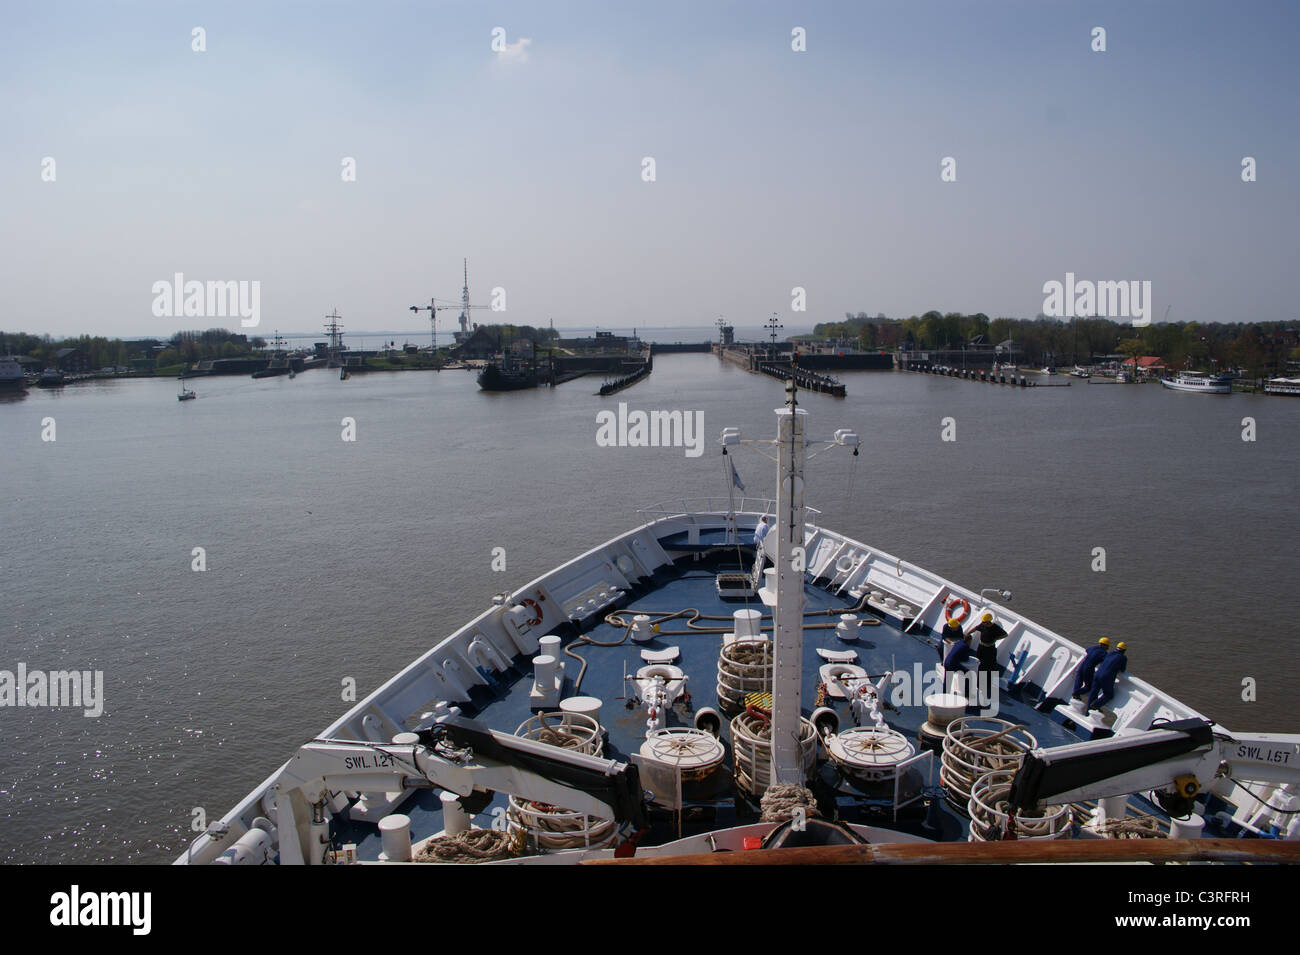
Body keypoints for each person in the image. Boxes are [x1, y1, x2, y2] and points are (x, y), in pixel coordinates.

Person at [1086, 642, 1128, 714]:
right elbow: (1122, 670)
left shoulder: (1110, 653)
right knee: (1108, 694)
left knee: (1093, 692)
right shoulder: (1123, 657)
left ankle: (1087, 711)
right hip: (1106, 677)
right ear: (1124, 651)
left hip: (1097, 674)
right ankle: (1095, 705)